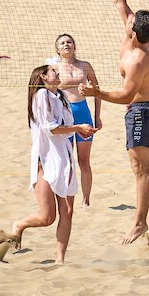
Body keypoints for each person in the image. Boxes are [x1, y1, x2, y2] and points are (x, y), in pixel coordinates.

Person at [79, 0, 149, 245]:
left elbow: (126, 96)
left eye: (131, 21)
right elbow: (119, 1)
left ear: (135, 33)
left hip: (143, 111)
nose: (127, 18)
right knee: (143, 167)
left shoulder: (138, 60)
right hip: (141, 111)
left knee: (140, 169)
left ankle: (140, 222)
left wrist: (96, 93)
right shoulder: (135, 35)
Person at [10, 65, 96, 263]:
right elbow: (51, 128)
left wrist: (80, 131)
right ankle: (20, 225)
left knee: (68, 212)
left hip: (64, 157)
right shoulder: (41, 95)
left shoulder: (62, 96)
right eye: (53, 71)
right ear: (43, 77)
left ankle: (60, 260)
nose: (57, 73)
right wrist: (77, 128)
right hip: (45, 158)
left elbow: (66, 128)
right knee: (47, 218)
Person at [53, 34, 102, 206]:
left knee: (84, 161)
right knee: (67, 160)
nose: (66, 44)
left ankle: (86, 200)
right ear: (57, 49)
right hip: (64, 115)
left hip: (83, 113)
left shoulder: (85, 65)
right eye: (62, 43)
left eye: (69, 42)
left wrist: (97, 116)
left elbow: (97, 91)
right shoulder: (54, 68)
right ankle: (67, 198)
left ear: (74, 46)